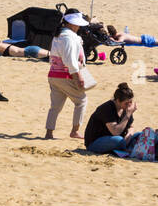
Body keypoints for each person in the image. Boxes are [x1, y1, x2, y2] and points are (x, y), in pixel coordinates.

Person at [45, 11, 90, 141]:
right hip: (65, 75)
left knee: (55, 106)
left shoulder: (58, 35)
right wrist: (78, 77)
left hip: (54, 73)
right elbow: (69, 60)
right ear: (71, 23)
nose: (78, 27)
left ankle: (49, 133)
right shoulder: (68, 37)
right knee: (81, 100)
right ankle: (75, 131)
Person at [84, 82, 138, 154]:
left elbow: (131, 126)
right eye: (126, 103)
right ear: (118, 101)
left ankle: (126, 148)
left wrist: (129, 135)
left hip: (117, 139)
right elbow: (116, 132)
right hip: (95, 143)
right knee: (119, 140)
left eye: (131, 102)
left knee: (140, 135)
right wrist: (128, 115)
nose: (129, 105)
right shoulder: (107, 108)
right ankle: (126, 148)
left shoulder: (125, 108)